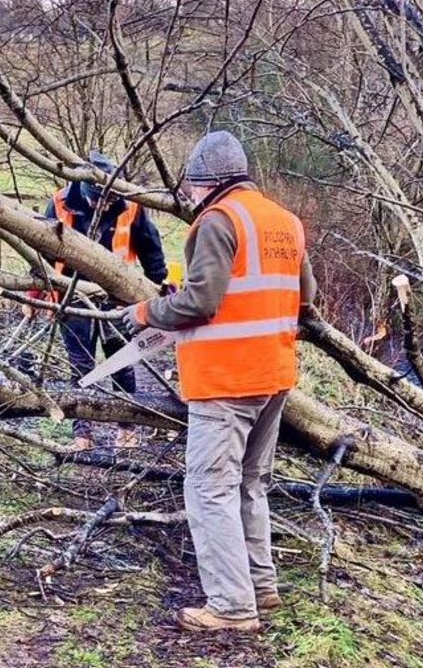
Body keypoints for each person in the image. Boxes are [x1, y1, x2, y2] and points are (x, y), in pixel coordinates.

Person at [125, 130, 316, 633]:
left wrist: (148, 311)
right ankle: (261, 585)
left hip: (226, 379)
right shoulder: (285, 222)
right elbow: (306, 298)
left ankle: (231, 606)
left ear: (205, 182)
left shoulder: (218, 220)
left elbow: (200, 303)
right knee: (251, 483)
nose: (188, 196)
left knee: (210, 489)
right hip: (274, 373)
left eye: (190, 187)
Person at [27, 151, 171, 451]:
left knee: (121, 362)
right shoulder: (60, 203)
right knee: (80, 367)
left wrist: (157, 287)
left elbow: (150, 247)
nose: (102, 205)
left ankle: (127, 427)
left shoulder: (130, 204)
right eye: (97, 199)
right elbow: (41, 251)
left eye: (106, 199)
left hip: (116, 300)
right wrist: (34, 294)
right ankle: (83, 433)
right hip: (71, 296)